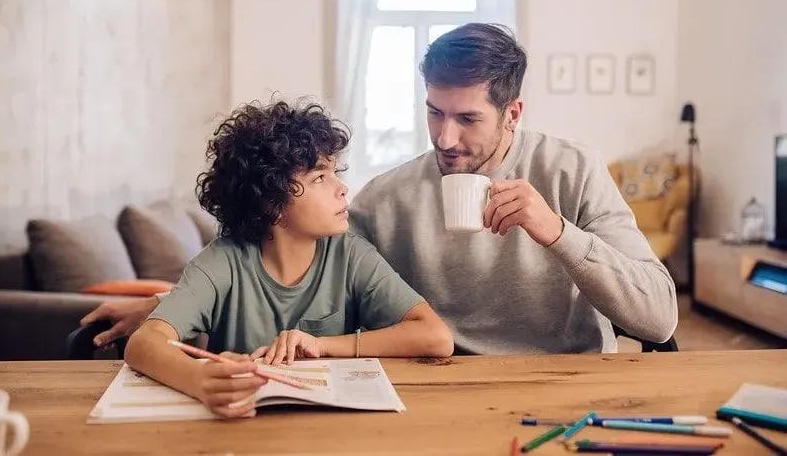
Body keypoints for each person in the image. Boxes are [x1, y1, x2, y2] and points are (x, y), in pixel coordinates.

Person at [83, 22, 677, 355]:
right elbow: (291, 261)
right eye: (433, 112)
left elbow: (659, 320)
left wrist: (558, 233)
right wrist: (172, 307)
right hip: (438, 385)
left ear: (513, 112)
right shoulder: (387, 198)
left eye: (467, 118)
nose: (445, 137)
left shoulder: (571, 169)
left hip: (564, 383)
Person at [122, 101, 453, 419]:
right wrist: (198, 379)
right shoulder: (223, 262)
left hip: (329, 428)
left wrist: (322, 346)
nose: (342, 188)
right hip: (238, 428)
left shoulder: (350, 254)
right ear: (271, 204)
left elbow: (436, 337)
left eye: (335, 172)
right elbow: (143, 343)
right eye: (320, 178)